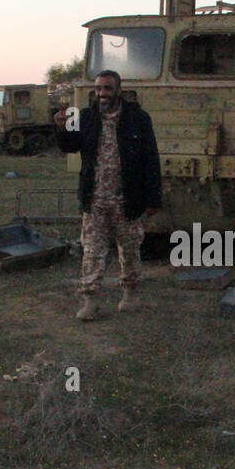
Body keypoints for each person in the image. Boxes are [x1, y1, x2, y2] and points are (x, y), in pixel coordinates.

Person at [53, 70, 162, 320]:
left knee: (130, 250)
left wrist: (153, 199)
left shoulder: (138, 118)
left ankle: (131, 294)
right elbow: (69, 145)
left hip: (128, 200)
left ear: (118, 90)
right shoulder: (86, 117)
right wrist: (60, 128)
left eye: (107, 88)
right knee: (91, 251)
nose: (102, 93)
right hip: (95, 199)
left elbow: (151, 160)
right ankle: (90, 300)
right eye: (99, 88)